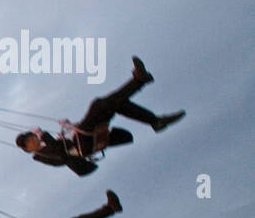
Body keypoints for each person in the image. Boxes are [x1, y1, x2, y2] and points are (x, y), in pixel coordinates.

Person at [16, 58, 184, 175]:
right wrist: (44, 134)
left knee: (113, 104)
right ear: (28, 150)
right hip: (83, 146)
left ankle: (155, 120)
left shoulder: (49, 142)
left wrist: (68, 126)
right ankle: (140, 82)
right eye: (29, 142)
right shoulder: (41, 156)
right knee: (98, 104)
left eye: (31, 137)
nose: (33, 141)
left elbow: (64, 142)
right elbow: (61, 156)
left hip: (82, 139)